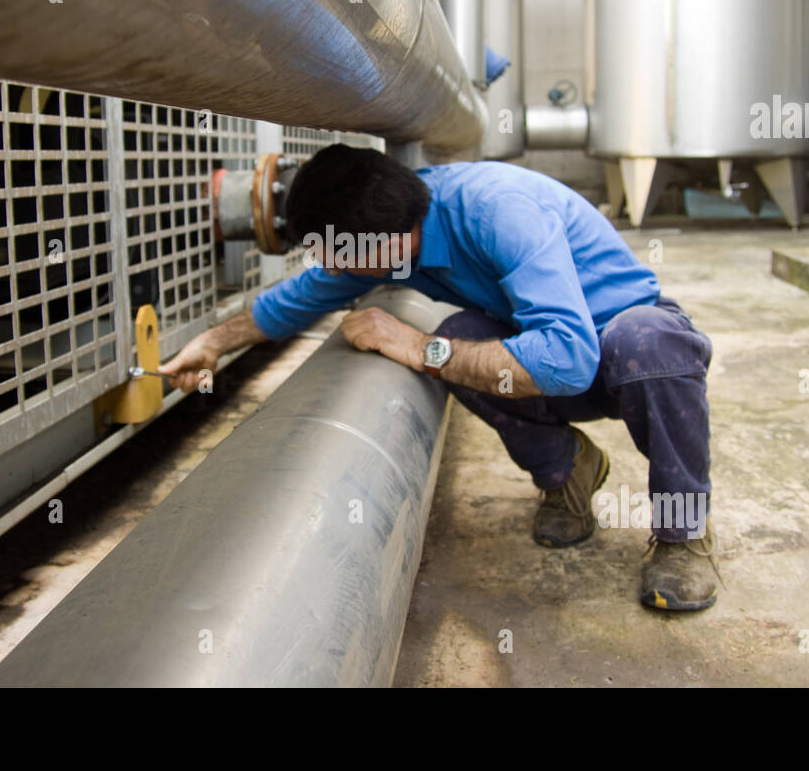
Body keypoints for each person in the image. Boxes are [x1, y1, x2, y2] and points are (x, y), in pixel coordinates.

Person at [159, 144, 721, 611]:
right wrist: (212, 344)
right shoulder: (388, 229)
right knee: (457, 333)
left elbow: (569, 357)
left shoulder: (496, 209)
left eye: (335, 258)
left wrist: (418, 346)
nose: (331, 270)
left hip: (616, 352)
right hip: (544, 365)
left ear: (378, 246)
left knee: (648, 340)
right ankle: (569, 469)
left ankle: (684, 532)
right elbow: (297, 299)